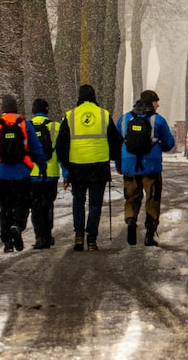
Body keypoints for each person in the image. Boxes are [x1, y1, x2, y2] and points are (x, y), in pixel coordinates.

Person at [55, 84, 123, 252]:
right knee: (95, 204)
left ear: (79, 97)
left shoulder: (70, 116)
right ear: (94, 97)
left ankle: (79, 236)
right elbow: (116, 141)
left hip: (77, 167)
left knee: (78, 201)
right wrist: (112, 156)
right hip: (99, 166)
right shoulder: (104, 115)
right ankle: (92, 239)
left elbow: (61, 145)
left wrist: (67, 165)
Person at [0, 94, 46, 253]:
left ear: (3, 109)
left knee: (5, 207)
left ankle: (7, 241)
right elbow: (36, 148)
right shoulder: (25, 125)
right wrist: (42, 166)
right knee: (22, 204)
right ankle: (18, 226)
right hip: (22, 173)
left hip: (1, 174)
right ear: (15, 108)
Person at [117, 90, 176, 246]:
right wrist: (159, 145)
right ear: (151, 102)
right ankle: (150, 233)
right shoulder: (158, 120)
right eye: (156, 101)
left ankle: (131, 219)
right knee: (152, 198)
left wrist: (119, 164)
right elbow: (169, 143)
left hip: (129, 165)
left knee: (132, 197)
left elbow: (116, 144)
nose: (158, 105)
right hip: (151, 166)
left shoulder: (124, 119)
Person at [28, 98, 63, 250]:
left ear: (33, 111)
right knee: (48, 205)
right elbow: (61, 151)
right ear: (47, 110)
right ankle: (47, 235)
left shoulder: (27, 127)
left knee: (36, 206)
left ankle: (39, 237)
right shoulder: (56, 127)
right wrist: (66, 171)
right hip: (51, 173)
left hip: (32, 173)